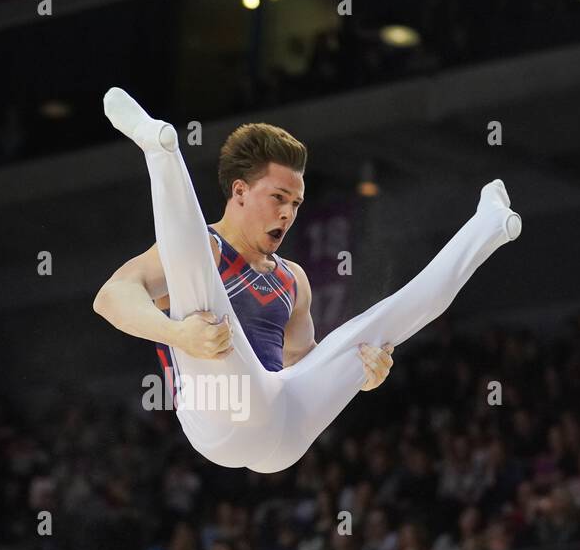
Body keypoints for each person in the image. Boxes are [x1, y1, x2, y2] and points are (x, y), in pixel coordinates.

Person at [95, 87, 520, 473]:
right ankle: (161, 149)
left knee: (386, 322)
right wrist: (178, 335)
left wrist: (361, 373)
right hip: (217, 413)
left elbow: (304, 363)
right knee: (198, 272)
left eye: (296, 203)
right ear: (240, 191)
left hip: (285, 429)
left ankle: (490, 226)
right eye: (278, 198)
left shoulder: (292, 279)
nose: (288, 214)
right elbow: (110, 298)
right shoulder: (205, 250)